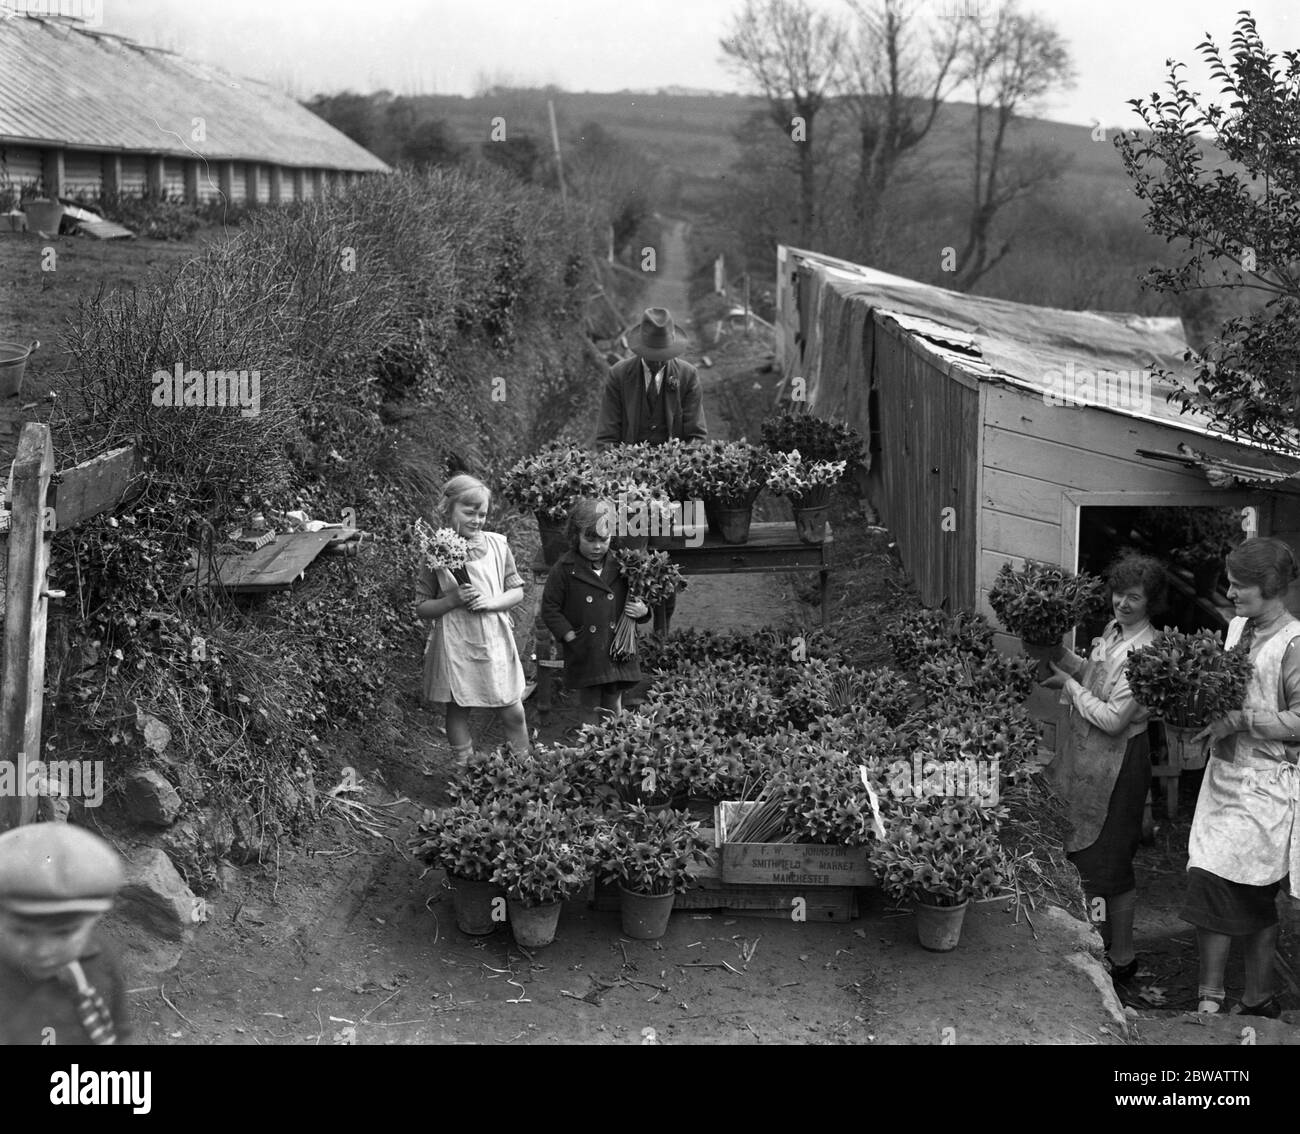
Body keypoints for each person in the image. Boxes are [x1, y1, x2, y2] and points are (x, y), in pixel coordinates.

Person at [1180, 536, 1300, 1018]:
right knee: (1206, 877)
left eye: (1240, 586)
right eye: (1229, 584)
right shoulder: (1236, 630)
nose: (1230, 593)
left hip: (1264, 786)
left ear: (1270, 586)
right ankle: (1209, 996)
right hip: (1223, 776)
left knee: (1249, 891)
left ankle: (1257, 998)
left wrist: (1243, 720)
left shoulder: (1293, 643)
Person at [1041, 552, 1165, 987]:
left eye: (1135, 598)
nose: (1123, 604)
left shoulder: (1147, 652)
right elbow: (1094, 676)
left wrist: (1070, 686)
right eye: (1119, 594)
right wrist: (1059, 655)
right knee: (1086, 855)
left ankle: (1119, 955)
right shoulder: (1114, 633)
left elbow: (1114, 718)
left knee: (1106, 863)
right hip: (1090, 759)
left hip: (1120, 765)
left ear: (1151, 603)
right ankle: (1101, 947)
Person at [595, 306, 707, 632]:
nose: (658, 361)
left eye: (664, 354)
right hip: (628, 489)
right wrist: (627, 480)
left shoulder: (687, 376)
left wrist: (673, 472)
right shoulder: (619, 376)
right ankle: (623, 628)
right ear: (639, 350)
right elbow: (605, 439)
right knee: (628, 557)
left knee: (670, 555)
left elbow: (697, 438)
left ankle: (663, 630)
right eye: (652, 354)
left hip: (673, 487)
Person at [415, 474, 530, 764]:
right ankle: (465, 771)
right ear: (447, 510)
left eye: (483, 514)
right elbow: (422, 607)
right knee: (458, 707)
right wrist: (451, 601)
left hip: (493, 638)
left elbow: (516, 592)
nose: (477, 520)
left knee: (512, 708)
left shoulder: (497, 545)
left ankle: (523, 769)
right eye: (469, 512)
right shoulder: (435, 552)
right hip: (458, 643)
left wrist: (491, 603)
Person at [0, 822, 129, 1045]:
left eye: (63, 934)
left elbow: (120, 1031)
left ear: (93, 921)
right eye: (22, 932)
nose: (42, 951)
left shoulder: (101, 960)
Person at [541, 497, 651, 728]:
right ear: (575, 535)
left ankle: (615, 744)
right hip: (586, 648)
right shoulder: (564, 569)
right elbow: (550, 608)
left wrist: (642, 611)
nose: (597, 547)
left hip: (616, 647)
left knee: (613, 700)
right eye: (590, 540)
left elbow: (640, 596)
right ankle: (590, 746)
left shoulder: (624, 566)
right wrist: (570, 636)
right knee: (590, 703)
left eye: (604, 539)